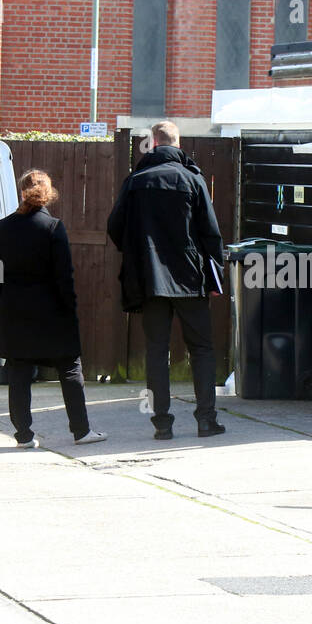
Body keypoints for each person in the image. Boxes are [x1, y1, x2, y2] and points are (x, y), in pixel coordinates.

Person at [107, 121, 225, 441]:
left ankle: (162, 423)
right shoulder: (193, 179)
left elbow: (115, 226)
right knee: (201, 349)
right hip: (190, 277)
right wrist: (216, 276)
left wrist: (138, 255)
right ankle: (206, 420)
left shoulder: (136, 181)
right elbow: (211, 234)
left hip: (151, 278)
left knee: (157, 351)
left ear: (153, 142)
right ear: (178, 142)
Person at [0, 169, 106, 450]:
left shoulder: (2, 228)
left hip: (16, 311)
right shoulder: (53, 228)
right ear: (48, 194)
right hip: (52, 311)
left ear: (21, 193)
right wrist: (69, 310)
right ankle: (81, 430)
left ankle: (24, 436)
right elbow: (64, 277)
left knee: (19, 373)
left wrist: (2, 302)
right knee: (69, 368)